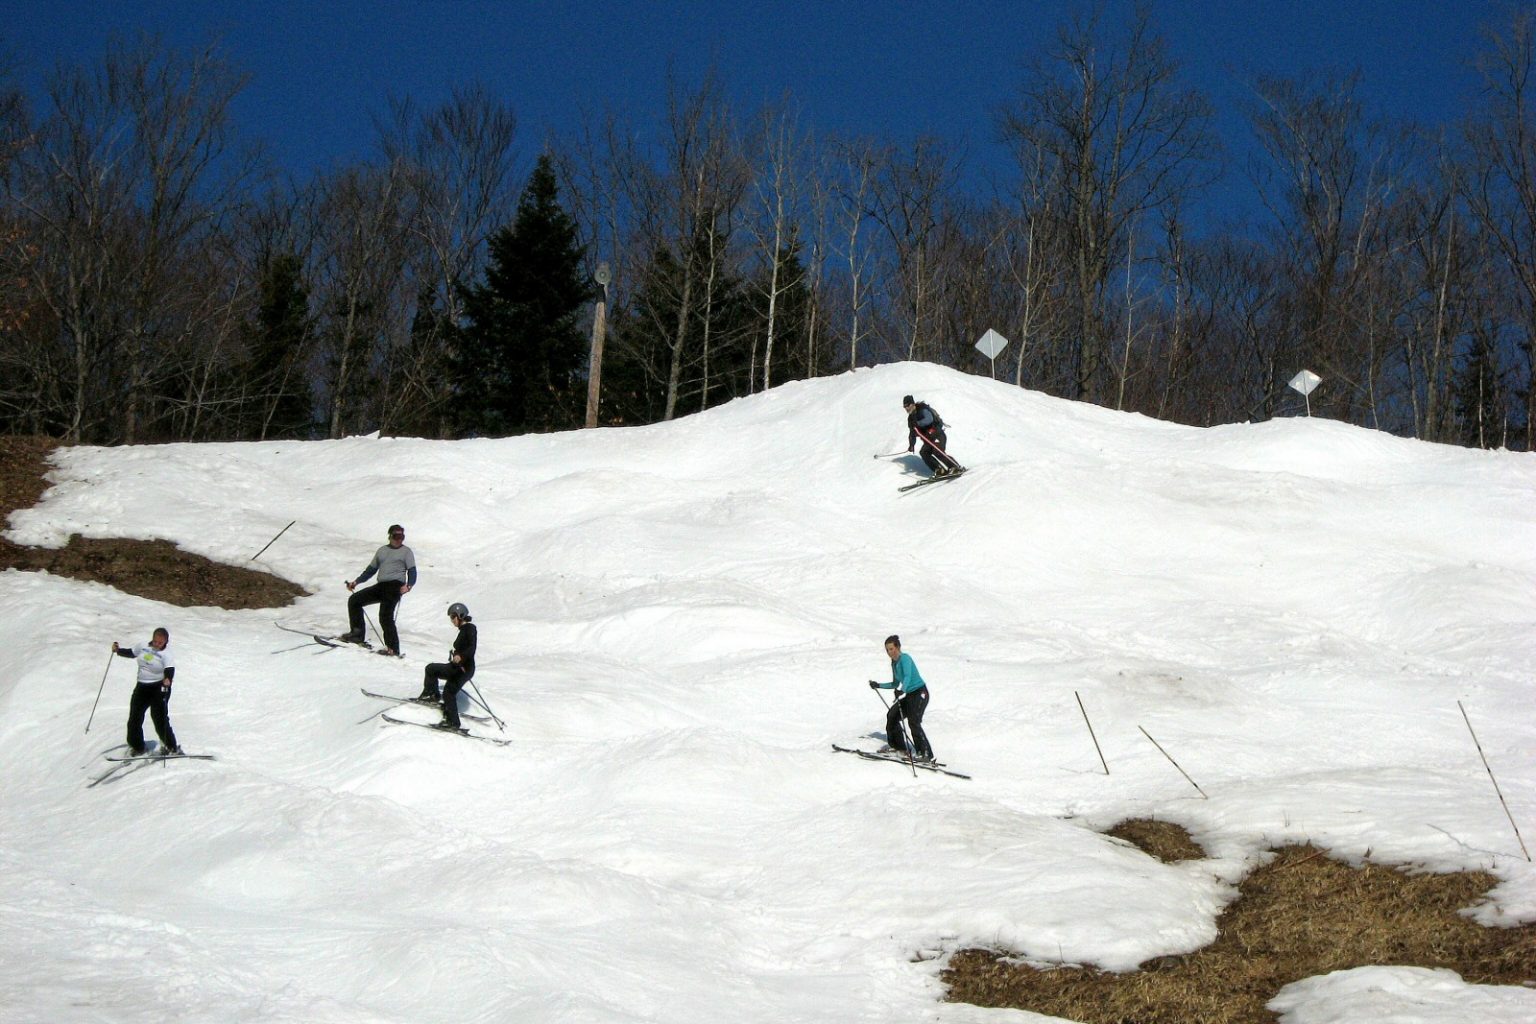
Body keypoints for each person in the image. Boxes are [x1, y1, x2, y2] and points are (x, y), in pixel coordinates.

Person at [343, 524, 417, 656]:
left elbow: (412, 571)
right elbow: (371, 570)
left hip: (395, 586)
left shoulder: (406, 552)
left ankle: (392, 649)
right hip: (381, 586)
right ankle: (357, 634)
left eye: (402, 537)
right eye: (396, 536)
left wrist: (409, 586)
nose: (399, 539)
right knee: (354, 600)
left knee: (385, 616)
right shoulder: (382, 551)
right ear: (389, 536)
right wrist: (356, 582)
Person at [111, 627, 180, 756]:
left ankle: (172, 747)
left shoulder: (167, 654)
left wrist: (168, 679)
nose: (157, 644)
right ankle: (137, 746)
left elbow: (170, 669)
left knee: (159, 718)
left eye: (161, 643)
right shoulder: (143, 646)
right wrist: (118, 651)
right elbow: (132, 653)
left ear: (166, 642)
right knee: (134, 718)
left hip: (159, 688)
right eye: (155, 641)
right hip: (142, 687)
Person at [869, 634, 934, 762]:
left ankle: (925, 753)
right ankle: (899, 748)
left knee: (913, 721)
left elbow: (908, 677)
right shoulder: (894, 663)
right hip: (909, 695)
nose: (889, 652)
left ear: (898, 647)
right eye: (887, 650)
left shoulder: (905, 658)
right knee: (892, 715)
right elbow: (895, 683)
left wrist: (901, 690)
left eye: (892, 649)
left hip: (920, 693)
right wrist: (879, 685)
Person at [419, 602, 478, 730]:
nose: (451, 620)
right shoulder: (463, 630)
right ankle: (434, 698)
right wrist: (456, 653)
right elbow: (461, 647)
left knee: (444, 687)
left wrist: (461, 656)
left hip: (463, 669)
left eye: (453, 616)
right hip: (459, 668)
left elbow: (471, 648)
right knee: (443, 686)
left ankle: (452, 722)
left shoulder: (470, 628)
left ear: (460, 615)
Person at [903, 395, 962, 477]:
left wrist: (918, 423)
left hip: (937, 434)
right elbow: (912, 433)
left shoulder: (922, 409)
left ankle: (955, 467)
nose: (906, 408)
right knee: (924, 452)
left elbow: (929, 419)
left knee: (937, 450)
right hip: (928, 439)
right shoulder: (910, 419)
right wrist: (911, 445)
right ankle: (939, 470)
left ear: (913, 404)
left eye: (907, 405)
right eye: (904, 406)